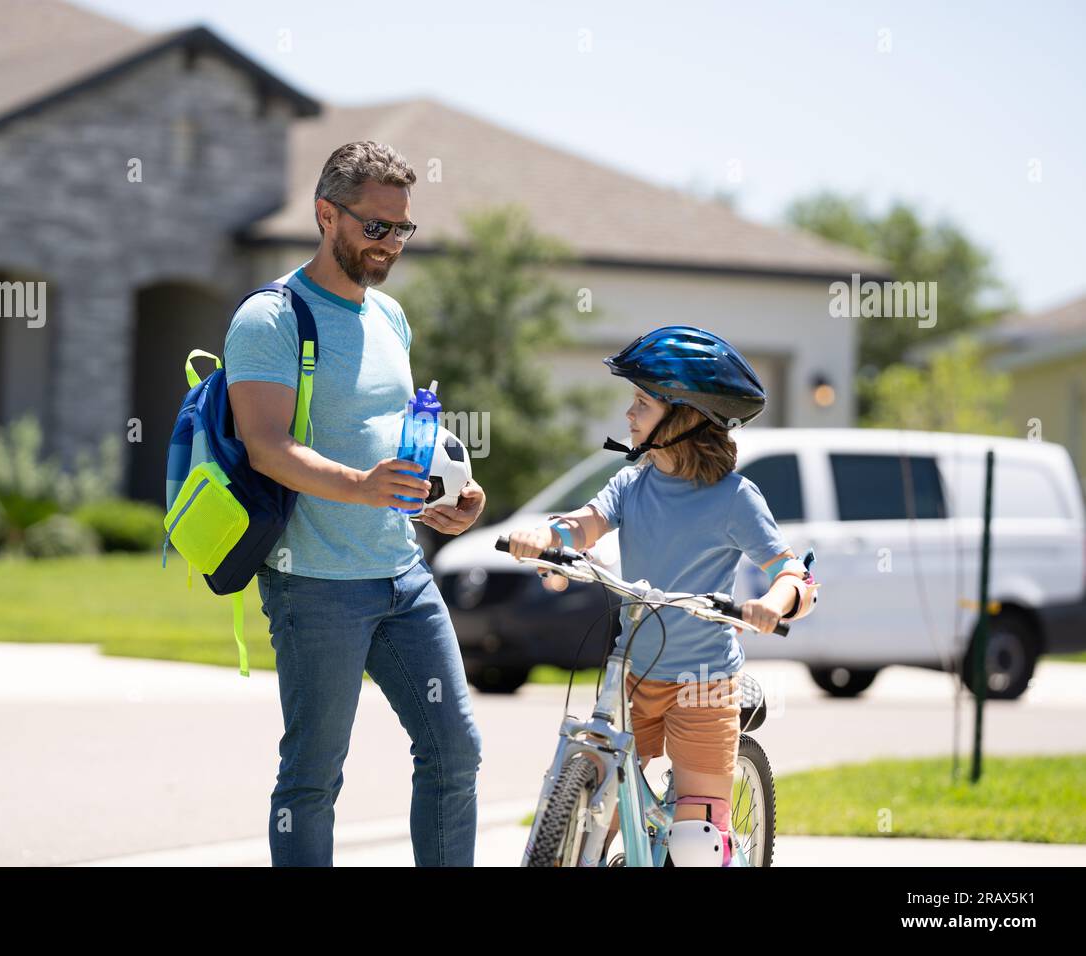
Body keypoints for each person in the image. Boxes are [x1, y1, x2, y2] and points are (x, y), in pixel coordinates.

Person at [223, 141, 487, 867]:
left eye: (402, 229)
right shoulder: (271, 319)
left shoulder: (391, 318)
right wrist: (362, 486)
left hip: (401, 575)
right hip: (314, 584)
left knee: (455, 752)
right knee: (313, 778)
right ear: (325, 215)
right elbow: (266, 445)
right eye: (376, 228)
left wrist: (449, 497)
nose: (391, 244)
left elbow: (403, 433)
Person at [506, 326, 817, 866]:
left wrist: (777, 600)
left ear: (685, 417)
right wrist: (549, 539)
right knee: (589, 806)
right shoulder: (632, 484)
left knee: (696, 842)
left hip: (702, 682)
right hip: (633, 670)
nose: (629, 415)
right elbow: (585, 524)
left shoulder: (735, 499)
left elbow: (793, 572)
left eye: (642, 403)